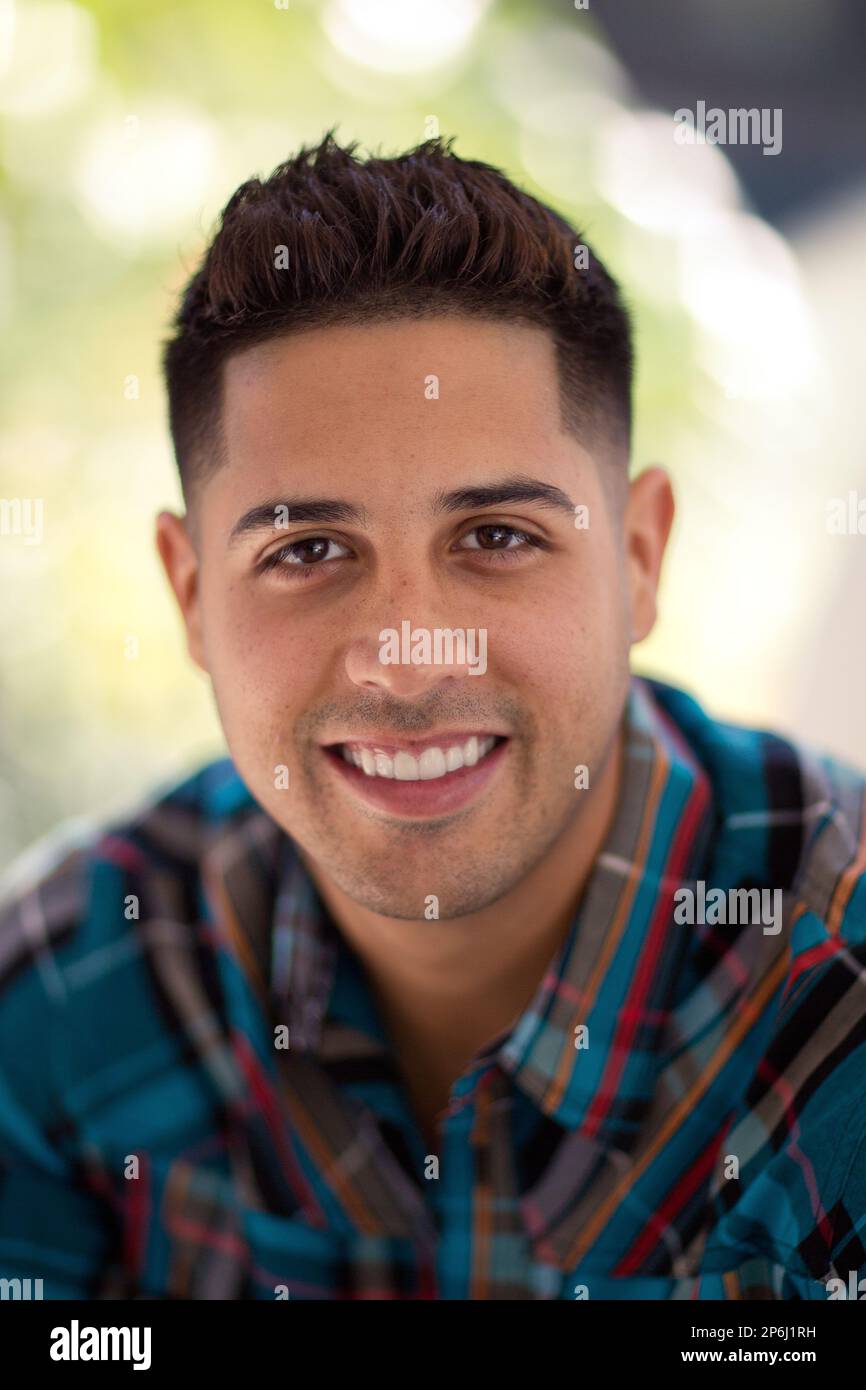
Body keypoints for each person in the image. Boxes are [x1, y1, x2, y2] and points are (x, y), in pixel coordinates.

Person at [1, 132, 864, 1301]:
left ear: (637, 557)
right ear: (192, 592)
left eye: (497, 538)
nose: (407, 663)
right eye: (307, 549)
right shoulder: (60, 1001)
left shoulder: (838, 1001)